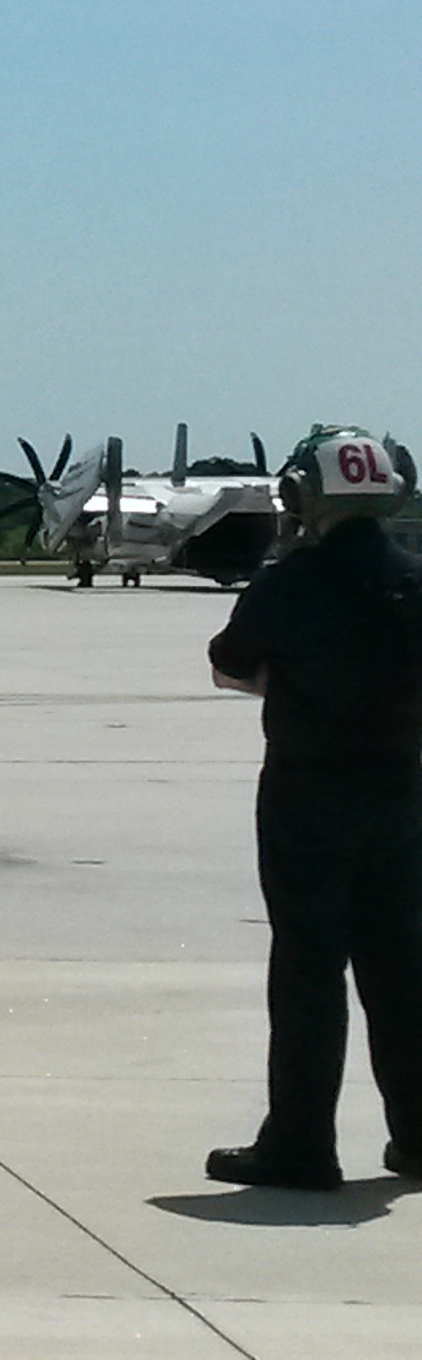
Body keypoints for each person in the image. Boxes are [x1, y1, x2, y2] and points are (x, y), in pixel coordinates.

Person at [202, 426, 422, 1190]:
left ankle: (300, 1143)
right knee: (399, 966)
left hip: (309, 794)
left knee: (308, 969)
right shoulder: (416, 579)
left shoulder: (291, 582)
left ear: (304, 496)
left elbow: (230, 668)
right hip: (401, 792)